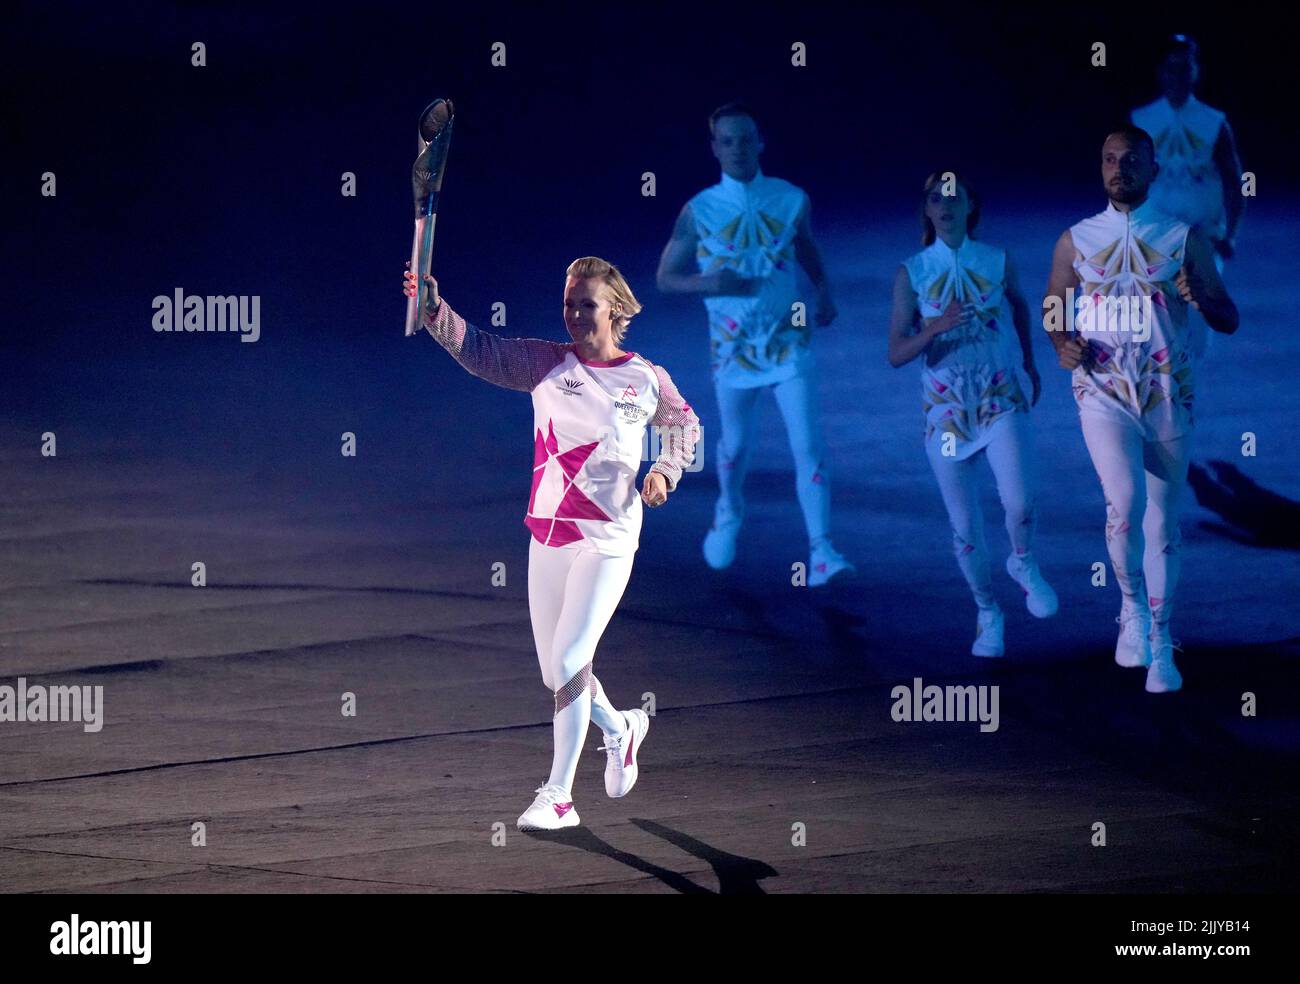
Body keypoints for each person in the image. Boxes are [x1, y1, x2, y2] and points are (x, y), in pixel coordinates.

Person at [403, 256, 701, 829]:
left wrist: (665, 470)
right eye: (568, 303)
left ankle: (559, 796)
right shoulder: (545, 363)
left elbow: (685, 424)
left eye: (585, 304)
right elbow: (482, 351)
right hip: (549, 536)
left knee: (569, 660)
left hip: (609, 539)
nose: (573, 315)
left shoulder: (646, 379)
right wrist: (434, 309)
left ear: (615, 309)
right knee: (558, 674)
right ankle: (621, 728)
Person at [1044, 127, 1238, 693]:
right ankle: (1132, 612)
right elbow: (1054, 301)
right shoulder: (1076, 240)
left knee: (1163, 525)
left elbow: (1227, 318)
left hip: (1165, 396)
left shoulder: (1182, 239)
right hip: (1102, 392)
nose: (1117, 169)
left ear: (1153, 171)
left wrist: (1200, 297)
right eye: (1108, 159)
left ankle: (1163, 642)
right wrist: (1062, 344)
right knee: (1124, 505)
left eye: (1130, 161)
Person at [656, 101, 854, 585]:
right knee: (738, 445)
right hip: (734, 351)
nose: (738, 148)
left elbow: (804, 244)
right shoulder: (699, 210)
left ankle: (822, 550)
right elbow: (666, 278)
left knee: (808, 444)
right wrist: (712, 283)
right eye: (728, 141)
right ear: (715, 148)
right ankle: (728, 511)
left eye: (746, 139)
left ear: (760, 142)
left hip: (788, 344)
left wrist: (823, 289)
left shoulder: (789, 199)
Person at [888, 171, 1058, 657]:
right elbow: (897, 352)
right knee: (965, 526)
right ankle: (988, 612)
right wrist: (934, 328)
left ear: (969, 207)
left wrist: (1028, 362)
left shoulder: (997, 260)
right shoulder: (912, 271)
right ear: (927, 210)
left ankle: (1023, 561)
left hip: (1001, 397)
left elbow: (1022, 308)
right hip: (946, 414)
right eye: (936, 199)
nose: (944, 205)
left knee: (1020, 502)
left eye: (954, 197)